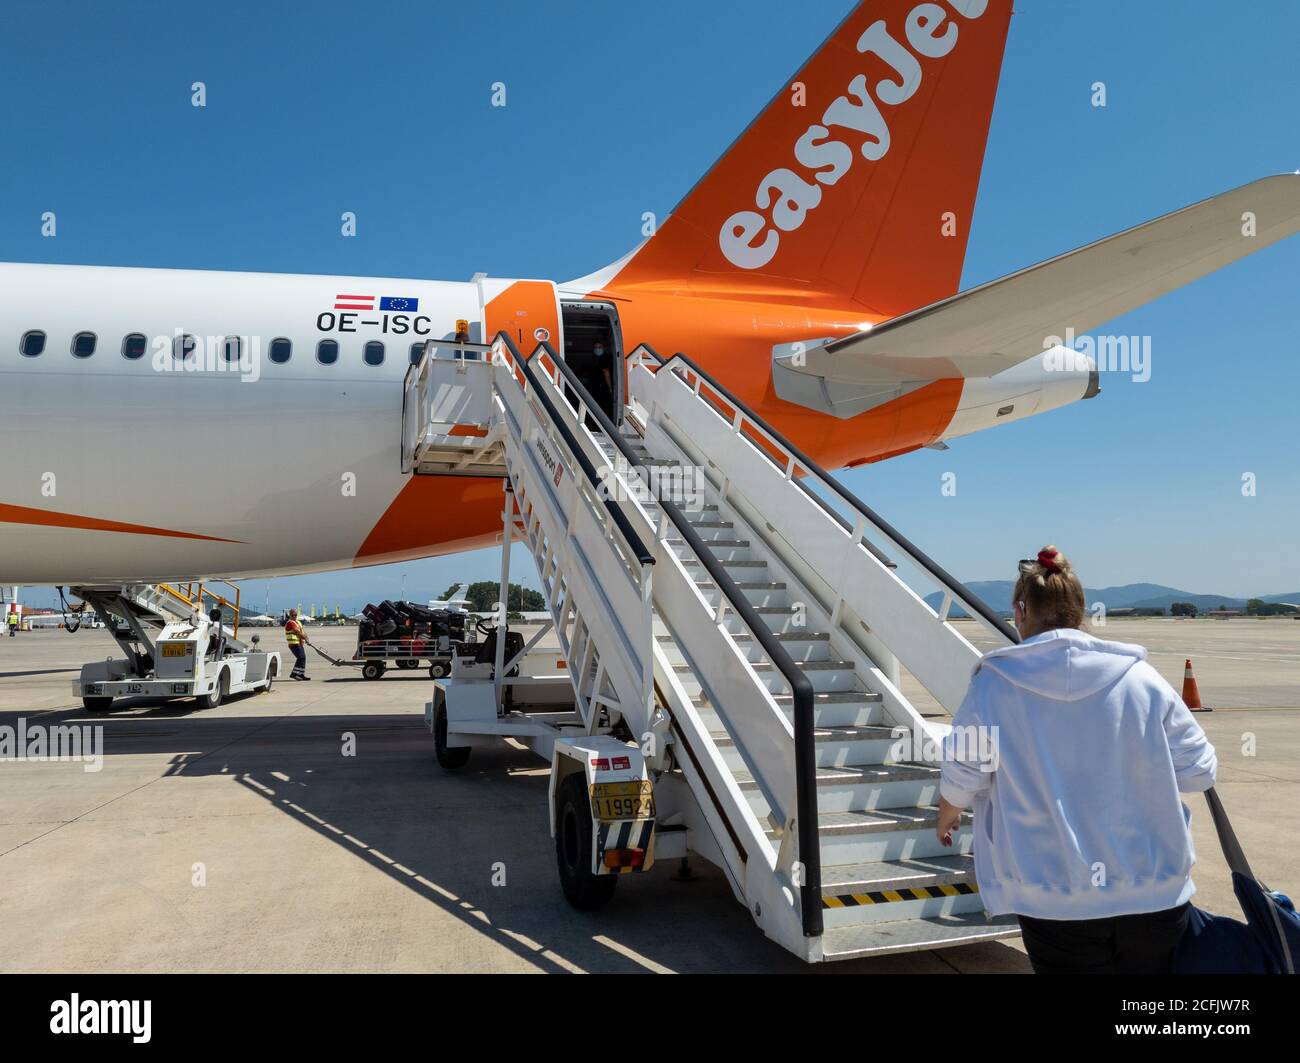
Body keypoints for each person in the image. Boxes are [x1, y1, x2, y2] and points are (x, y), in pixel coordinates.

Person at [937, 545, 1217, 974]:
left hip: (1054, 896)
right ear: (1080, 609)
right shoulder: (1141, 678)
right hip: (1154, 895)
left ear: (1020, 610)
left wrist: (949, 810)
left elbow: (963, 770)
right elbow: (1198, 772)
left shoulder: (994, 686)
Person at [284, 608, 310, 680]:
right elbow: (297, 632)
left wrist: (306, 637)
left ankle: (301, 674)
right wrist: (305, 638)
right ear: (290, 615)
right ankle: (294, 674)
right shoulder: (290, 622)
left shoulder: (298, 622)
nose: (294, 616)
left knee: (303, 658)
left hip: (299, 643)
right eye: (292, 615)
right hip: (294, 644)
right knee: (301, 658)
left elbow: (302, 631)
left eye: (295, 615)